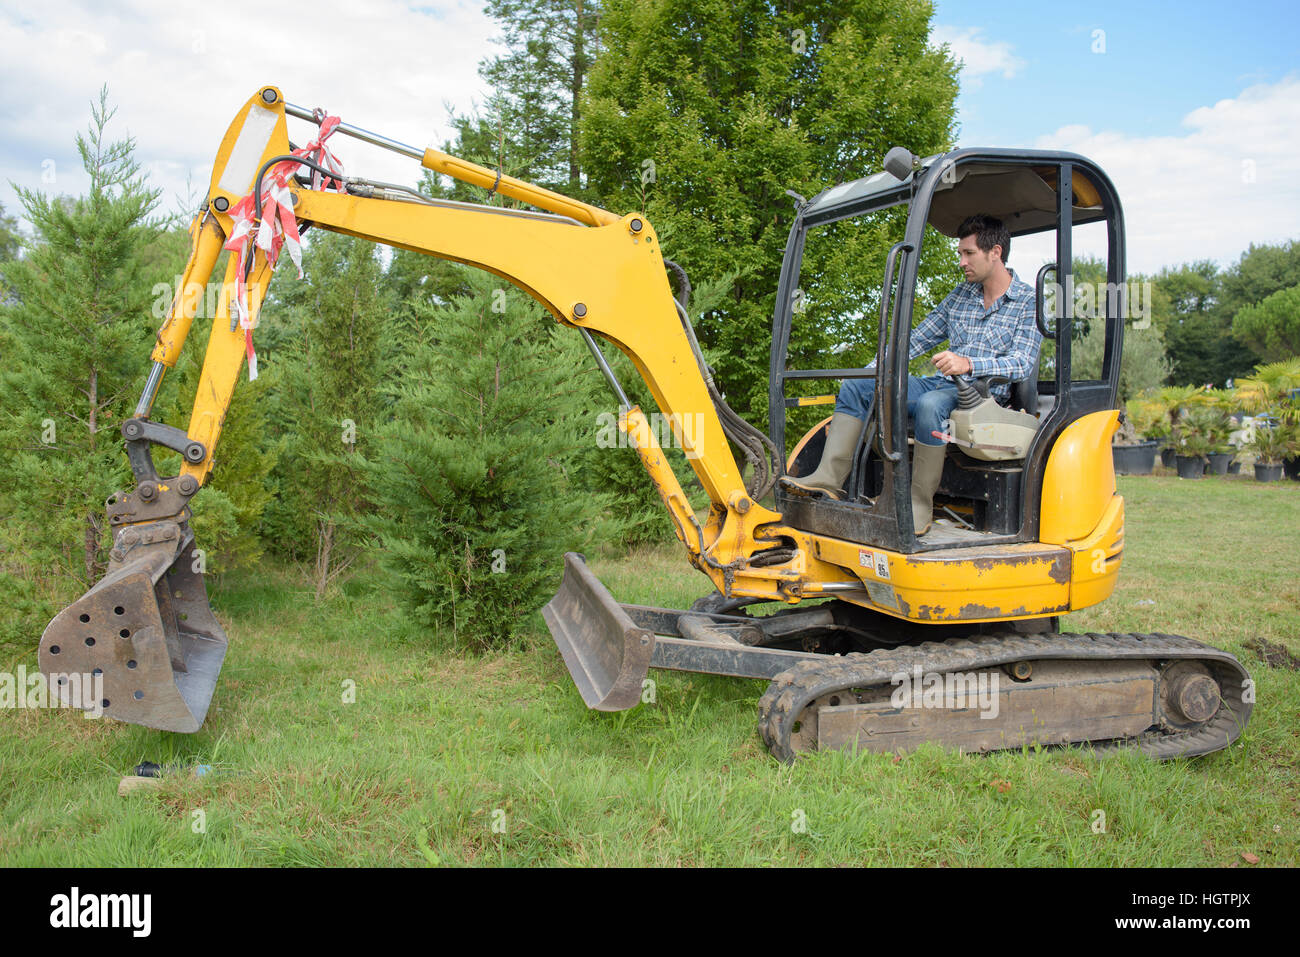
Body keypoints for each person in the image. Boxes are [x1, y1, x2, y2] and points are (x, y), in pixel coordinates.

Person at [783, 214, 1041, 534]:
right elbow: (915, 339)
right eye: (960, 253)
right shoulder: (961, 296)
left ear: (995, 252)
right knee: (856, 387)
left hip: (983, 397)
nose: (961, 261)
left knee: (930, 404)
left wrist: (969, 364)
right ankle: (828, 479)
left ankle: (918, 504)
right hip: (943, 385)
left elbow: (1022, 362)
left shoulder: (1029, 302)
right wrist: (874, 372)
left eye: (968, 253)